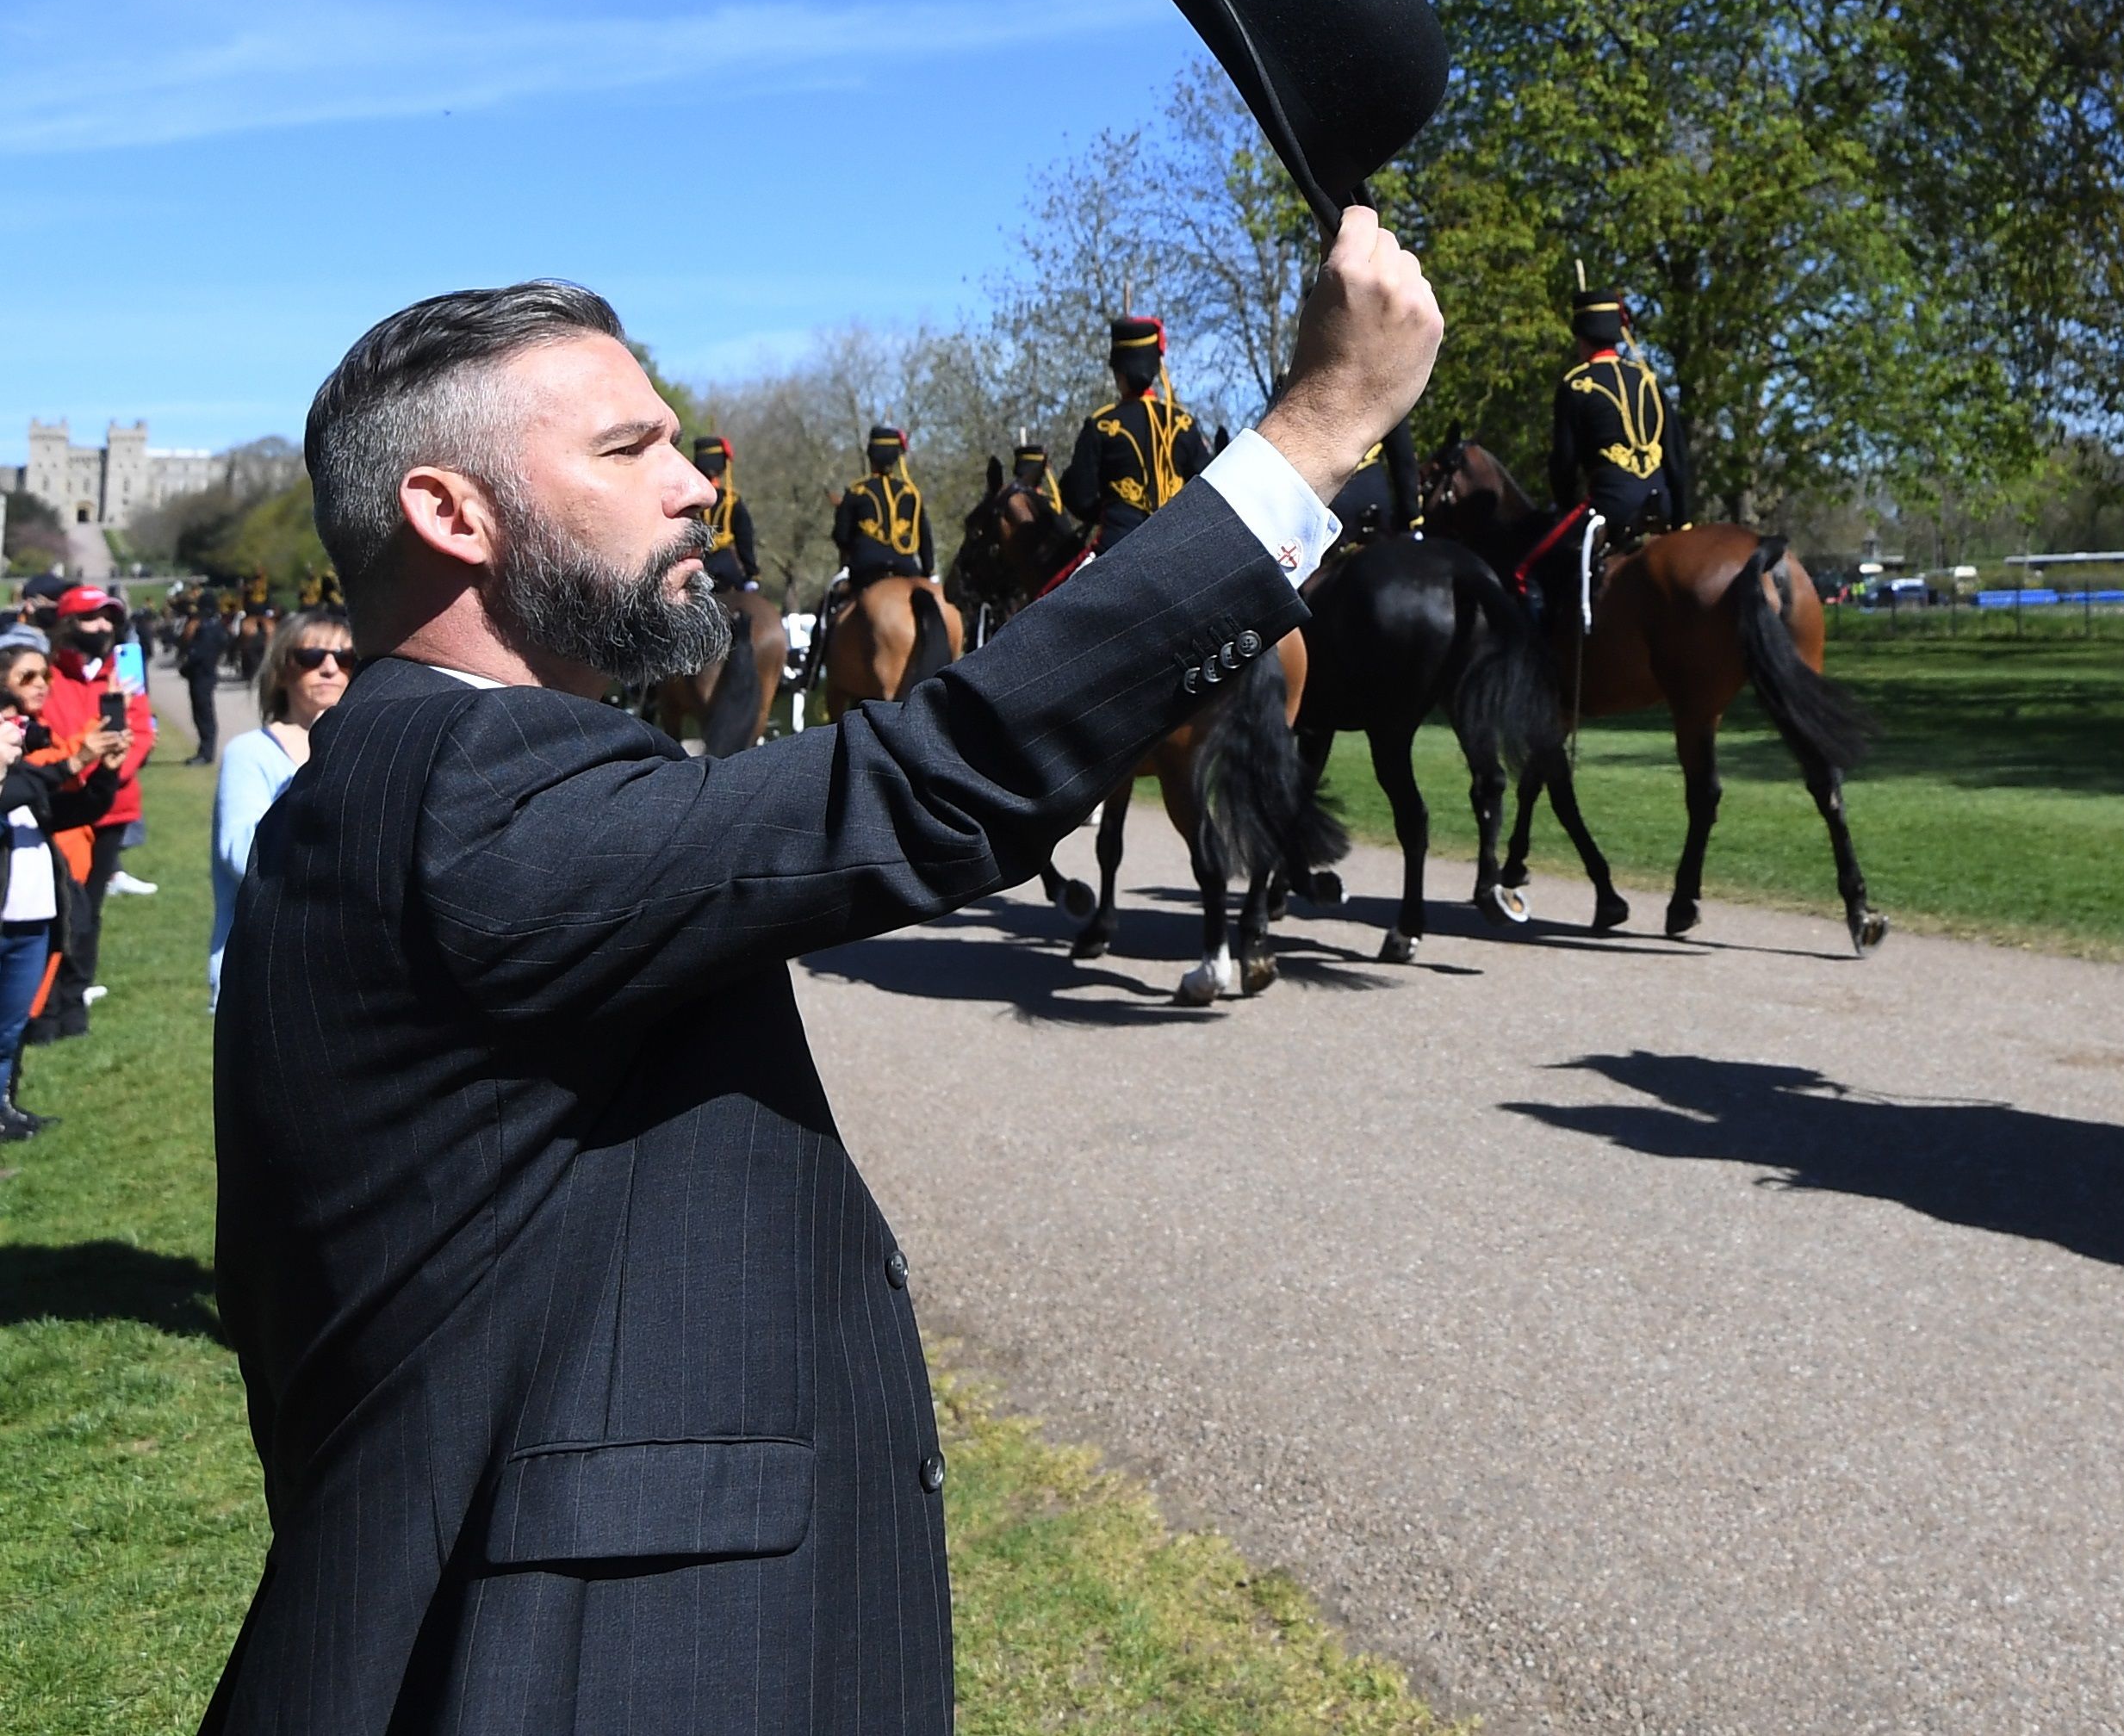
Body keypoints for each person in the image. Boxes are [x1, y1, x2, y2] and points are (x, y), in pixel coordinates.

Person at [205, 217, 1435, 1728]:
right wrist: (1320, 431)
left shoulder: (387, 777)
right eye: (629, 449)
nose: (692, 486)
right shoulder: (471, 787)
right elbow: (927, 780)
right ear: (453, 512)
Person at [1, 623, 126, 1139]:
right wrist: (77, 757)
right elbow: (13, 794)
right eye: (27, 676)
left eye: (44, 676)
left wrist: (106, 771)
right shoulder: (17, 771)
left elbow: (69, 810)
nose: (41, 685)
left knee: (12, 1026)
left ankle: (5, 1108)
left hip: (33, 918)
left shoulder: (26, 763)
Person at [208, 609, 351, 1012]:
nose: (329, 669)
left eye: (345, 658)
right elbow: (242, 855)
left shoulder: (365, 751)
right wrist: (320, 766)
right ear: (283, 669)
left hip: (343, 971)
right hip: (266, 970)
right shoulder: (250, 753)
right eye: (311, 656)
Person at [1537, 287, 1687, 625]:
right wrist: (1682, 521)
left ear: (1582, 336)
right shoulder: (1649, 380)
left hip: (1610, 508)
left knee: (1527, 572)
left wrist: (1565, 508)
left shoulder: (1576, 385)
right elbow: (1677, 460)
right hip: (1661, 507)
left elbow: (1563, 465)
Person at [34, 583, 151, 1014]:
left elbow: (140, 733)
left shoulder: (124, 675)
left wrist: (108, 770)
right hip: (60, 806)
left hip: (111, 806)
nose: (101, 626)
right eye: (90, 617)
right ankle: (44, 990)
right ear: (67, 624)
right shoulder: (47, 676)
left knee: (91, 904)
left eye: (108, 618)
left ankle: (77, 987)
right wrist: (77, 766)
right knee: (57, 900)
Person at [1062, 313, 1212, 552]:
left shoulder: (1102, 424)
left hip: (1117, 548)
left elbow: (1079, 497)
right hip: (1180, 550)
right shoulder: (1182, 422)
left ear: (1118, 371)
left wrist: (1108, 512)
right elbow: (1206, 488)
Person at [831, 425, 934, 586]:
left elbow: (841, 537)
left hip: (865, 569)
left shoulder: (856, 492)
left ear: (871, 456)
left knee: (834, 597)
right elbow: (925, 539)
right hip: (907, 569)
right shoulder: (911, 493)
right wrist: (928, 572)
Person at [686, 434, 761, 598]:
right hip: (727, 565)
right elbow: (745, 540)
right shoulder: (731, 501)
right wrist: (752, 574)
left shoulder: (687, 498)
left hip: (696, 564)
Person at [180, 577, 233, 765]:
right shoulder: (215, 626)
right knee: (200, 713)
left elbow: (200, 652)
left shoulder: (208, 627)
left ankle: (206, 752)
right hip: (203, 674)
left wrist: (186, 666)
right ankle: (204, 750)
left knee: (203, 714)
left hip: (202, 674)